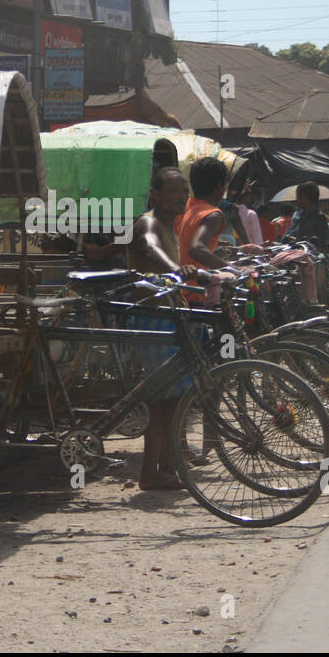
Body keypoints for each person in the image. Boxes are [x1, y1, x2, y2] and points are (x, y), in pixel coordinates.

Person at [128, 167, 197, 490]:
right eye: (174, 191)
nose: (181, 197)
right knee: (161, 399)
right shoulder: (149, 223)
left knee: (175, 399)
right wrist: (175, 270)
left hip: (170, 317)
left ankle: (166, 466)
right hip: (152, 320)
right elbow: (150, 247)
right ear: (156, 194)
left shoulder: (171, 226)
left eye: (184, 191)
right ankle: (148, 472)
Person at [175, 157, 232, 269]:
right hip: (199, 284)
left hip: (180, 282)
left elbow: (185, 238)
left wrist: (221, 244)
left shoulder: (186, 206)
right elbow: (196, 249)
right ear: (219, 187)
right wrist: (233, 269)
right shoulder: (213, 215)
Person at [282, 182, 329, 247]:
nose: (296, 199)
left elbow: (324, 244)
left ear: (304, 197)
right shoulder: (300, 216)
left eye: (298, 196)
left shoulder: (318, 218)